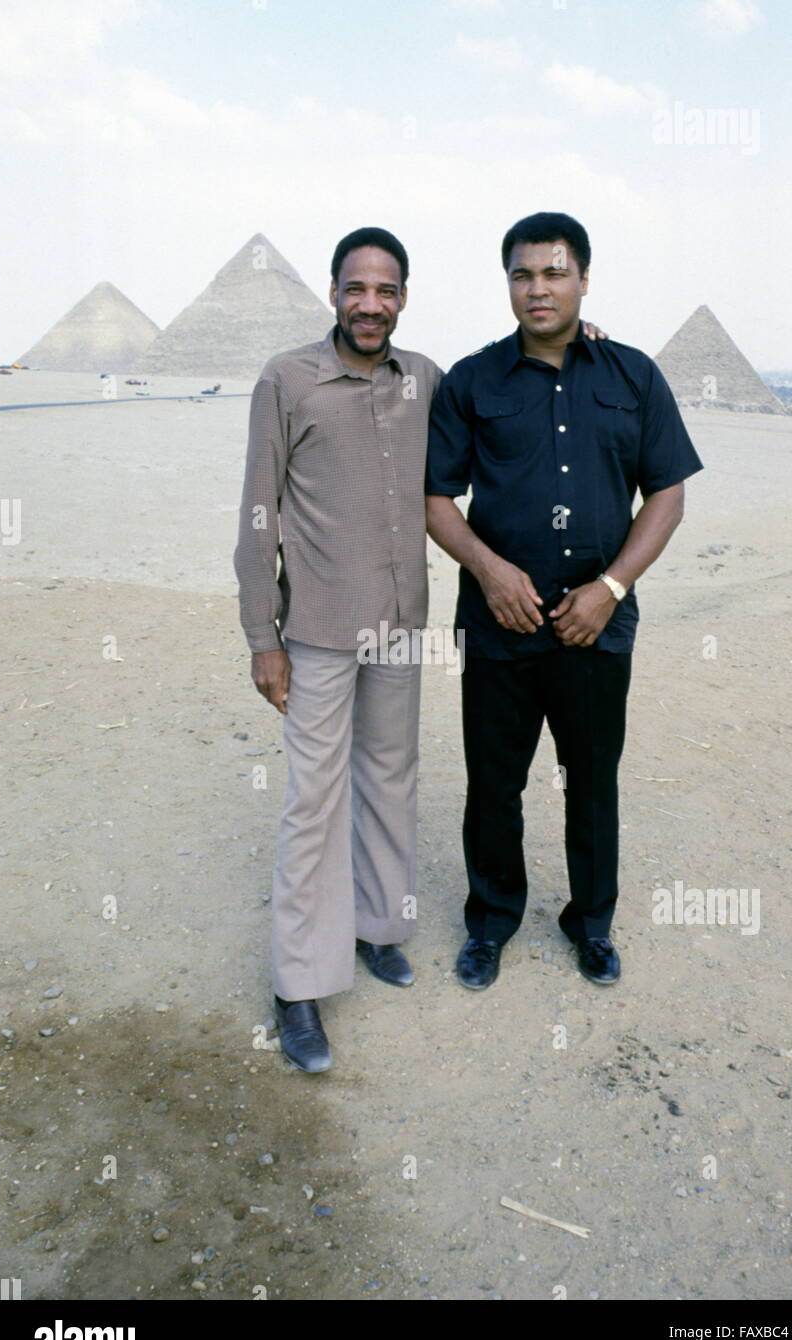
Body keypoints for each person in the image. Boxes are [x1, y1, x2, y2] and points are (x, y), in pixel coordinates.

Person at [424, 211, 703, 991]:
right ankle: (490, 922)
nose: (537, 288)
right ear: (506, 281)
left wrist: (610, 588)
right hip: (498, 627)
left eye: (553, 273)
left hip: (595, 630)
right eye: (522, 274)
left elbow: (667, 494)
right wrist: (488, 571)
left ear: (583, 278)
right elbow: (436, 497)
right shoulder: (472, 380)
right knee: (494, 784)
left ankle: (591, 924)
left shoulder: (632, 376)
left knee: (592, 782)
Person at [233, 228, 441, 1072]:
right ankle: (298, 987)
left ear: (402, 298)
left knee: (389, 779)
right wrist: (261, 638)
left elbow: (511, 395)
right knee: (313, 799)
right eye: (356, 289)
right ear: (331, 292)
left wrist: (587, 344)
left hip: (398, 623)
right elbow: (256, 516)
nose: (370, 305)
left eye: (385, 290)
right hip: (316, 629)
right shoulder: (286, 380)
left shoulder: (425, 379)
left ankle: (378, 926)